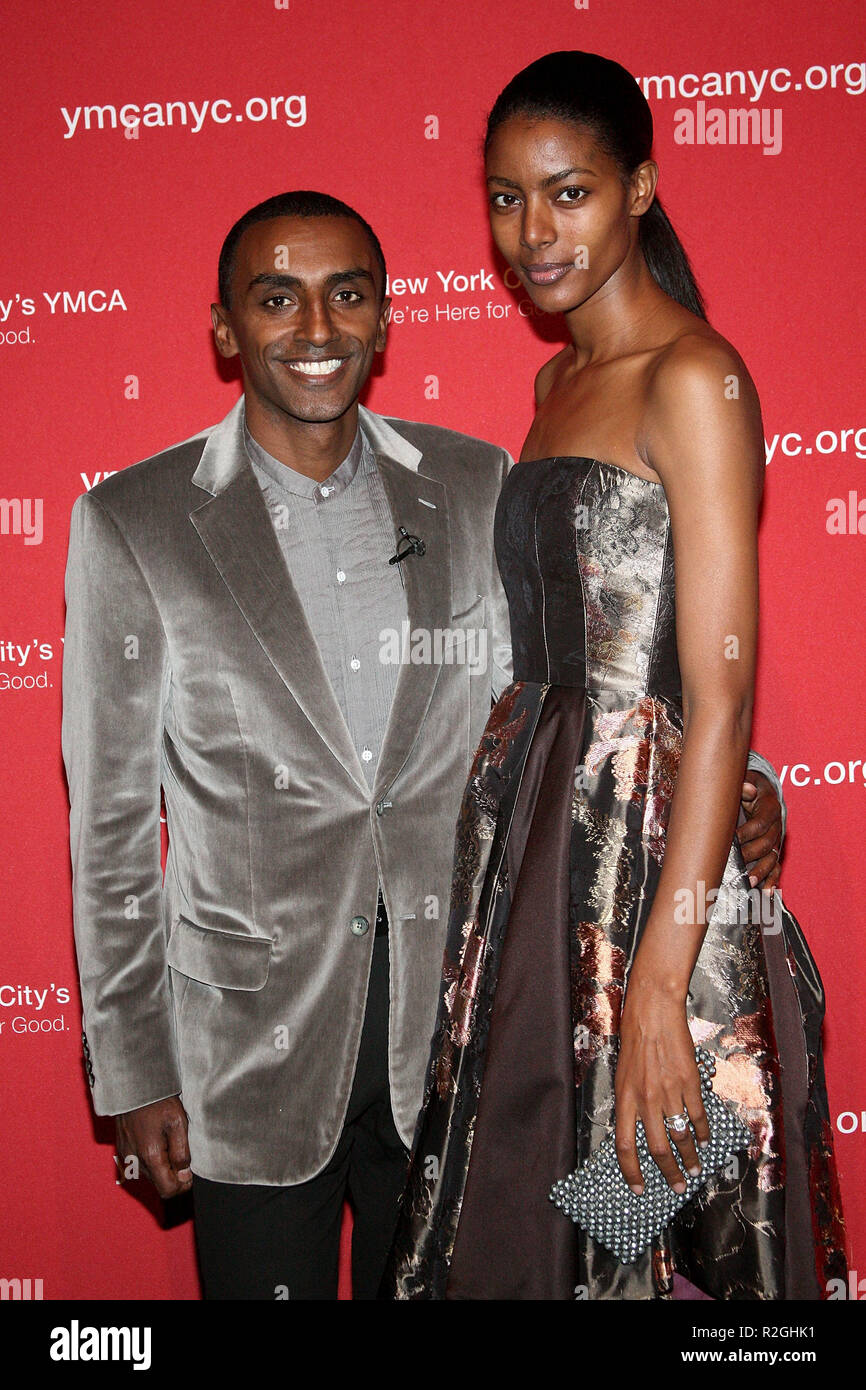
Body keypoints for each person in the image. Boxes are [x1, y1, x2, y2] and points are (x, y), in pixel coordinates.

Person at [62, 188, 787, 1302]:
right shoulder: (136, 522)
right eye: (276, 298)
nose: (315, 329)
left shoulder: (468, 481)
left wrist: (731, 774)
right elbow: (110, 824)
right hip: (248, 1054)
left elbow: (572, 679)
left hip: (460, 1036)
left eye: (345, 294)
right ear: (223, 327)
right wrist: (135, 1069)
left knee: (575, 1244)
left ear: (386, 320)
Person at [384, 52, 847, 1301]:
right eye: (503, 198)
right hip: (532, 843)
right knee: (538, 1179)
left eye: (568, 193)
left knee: (655, 1166)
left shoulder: (694, 378)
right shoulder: (553, 382)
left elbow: (714, 689)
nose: (531, 234)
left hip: (645, 869)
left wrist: (654, 987)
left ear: (639, 186)